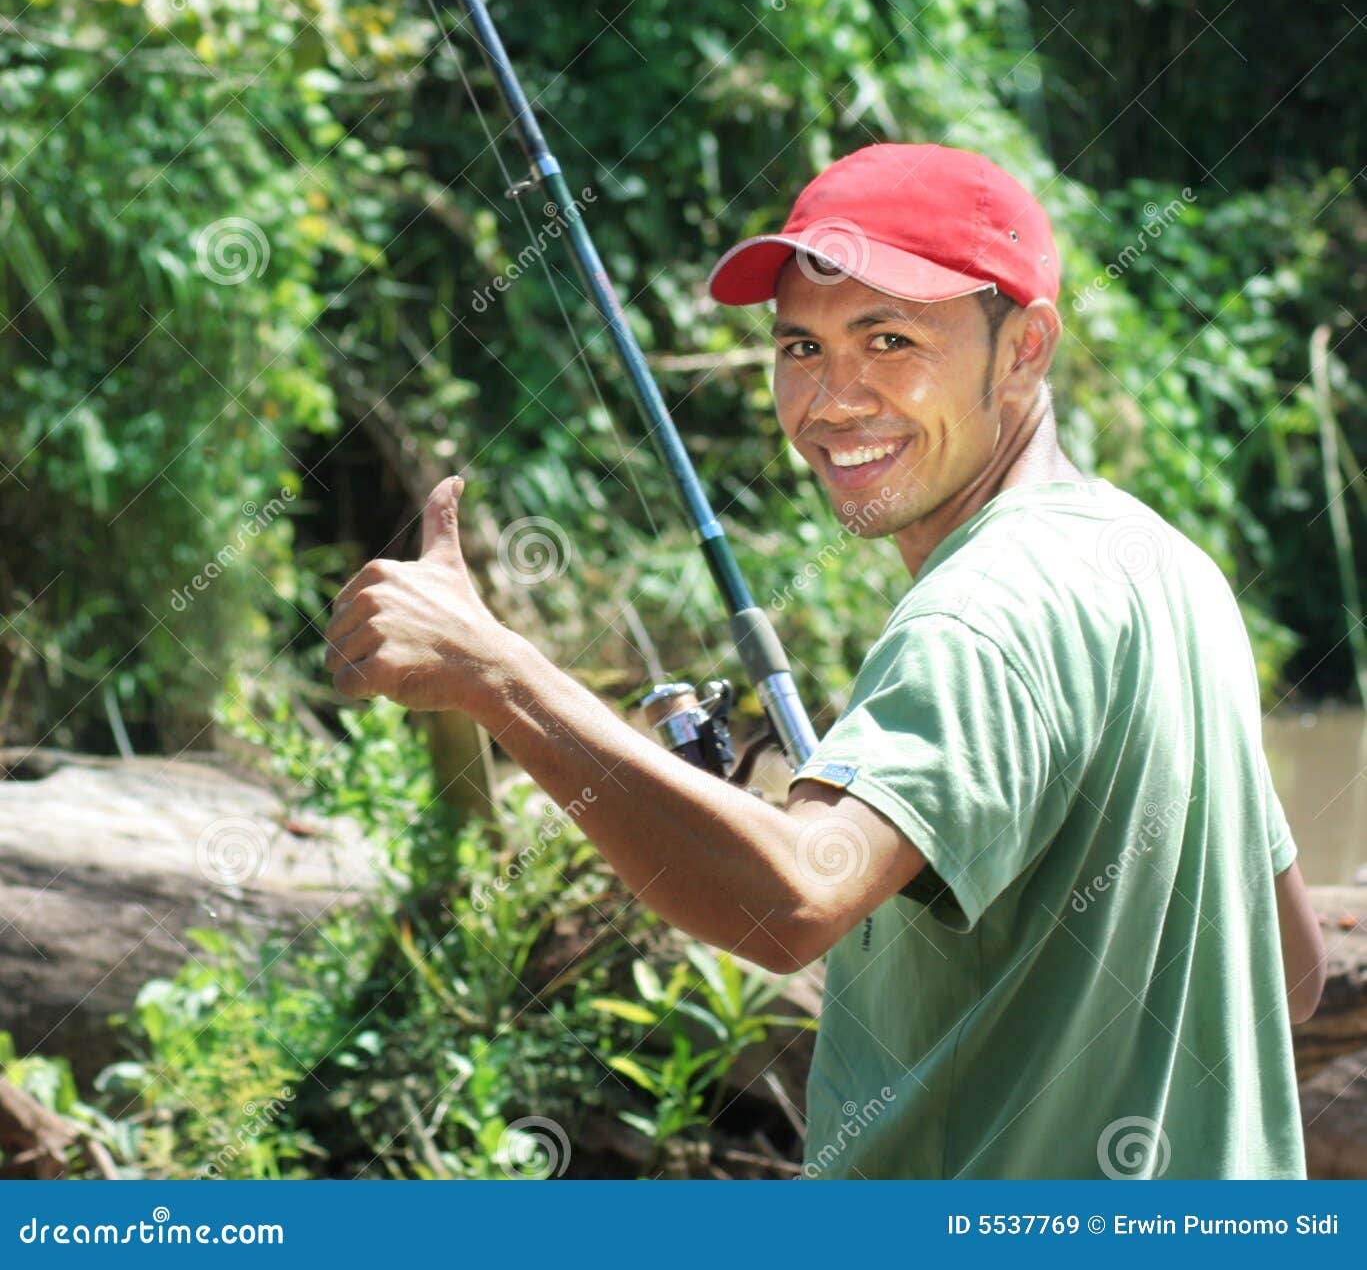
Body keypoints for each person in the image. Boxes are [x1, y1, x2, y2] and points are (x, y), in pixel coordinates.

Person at [322, 141, 1326, 1179]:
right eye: (799, 347)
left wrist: (497, 673)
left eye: (888, 339)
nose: (831, 399)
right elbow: (1288, 971)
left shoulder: (980, 612)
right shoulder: (1168, 568)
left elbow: (794, 898)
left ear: (1023, 346)